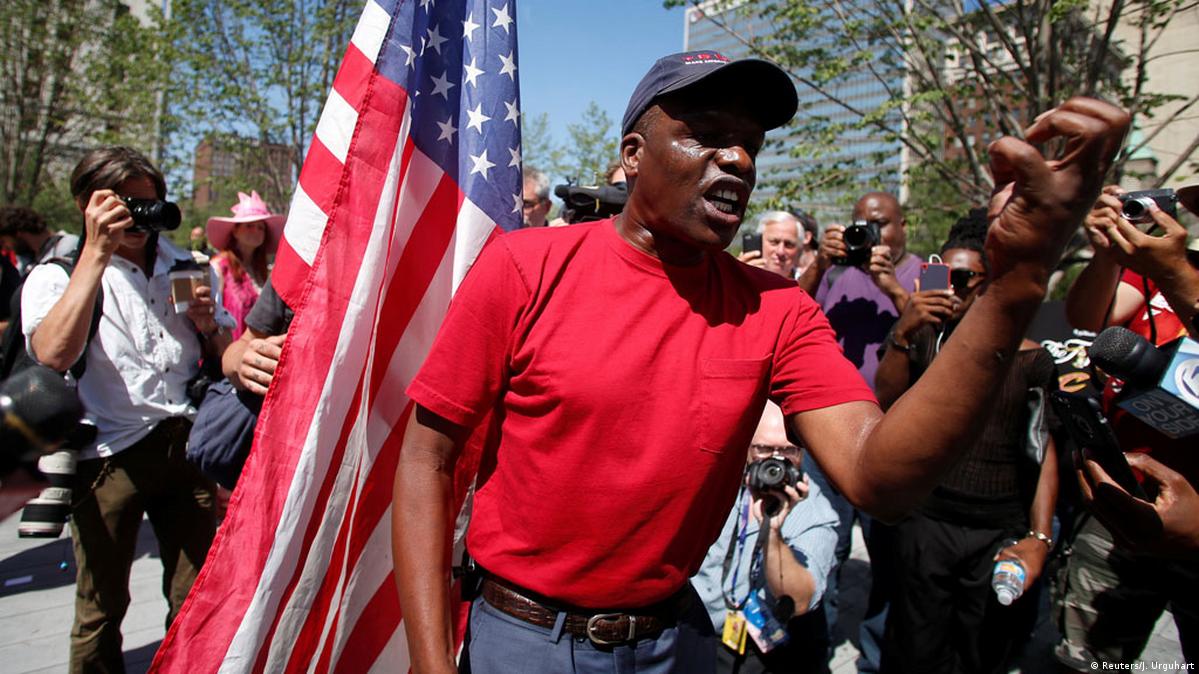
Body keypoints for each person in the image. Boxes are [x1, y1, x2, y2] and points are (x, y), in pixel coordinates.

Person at [390, 47, 1130, 674]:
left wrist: (1017, 279)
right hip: (521, 642)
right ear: (632, 155)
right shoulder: (524, 267)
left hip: (677, 643)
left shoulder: (777, 309)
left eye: (750, 143)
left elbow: (881, 478)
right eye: (706, 134)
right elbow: (425, 461)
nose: (738, 158)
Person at [21, 146, 234, 673]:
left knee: (194, 600)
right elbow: (53, 352)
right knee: (101, 608)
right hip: (107, 456)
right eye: (125, 204)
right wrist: (97, 252)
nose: (140, 217)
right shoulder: (59, 272)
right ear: (86, 204)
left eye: (149, 204)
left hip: (185, 448)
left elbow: (221, 351)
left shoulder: (186, 266)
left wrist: (211, 327)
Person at [875, 209, 1059, 674]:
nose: (952, 288)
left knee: (983, 648)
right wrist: (905, 330)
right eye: (943, 276)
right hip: (926, 521)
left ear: (987, 281)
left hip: (997, 528)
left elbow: (1041, 451)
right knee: (915, 645)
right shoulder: (923, 339)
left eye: (965, 278)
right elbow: (884, 400)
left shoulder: (1029, 360)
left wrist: (1038, 536)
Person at [1055, 184, 1199, 671]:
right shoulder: (1155, 270)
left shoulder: (1174, 268)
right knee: (1092, 659)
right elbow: (1086, 317)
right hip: (1125, 491)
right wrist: (1106, 255)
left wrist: (1177, 273)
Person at [795, 191, 920, 670]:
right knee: (821, 548)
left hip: (894, 437)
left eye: (882, 224)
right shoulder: (837, 274)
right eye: (860, 225)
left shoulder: (927, 269)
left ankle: (874, 657)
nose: (871, 234)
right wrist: (820, 263)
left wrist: (890, 287)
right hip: (828, 432)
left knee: (889, 561)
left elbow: (945, 328)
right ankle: (816, 652)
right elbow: (789, 310)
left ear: (903, 226)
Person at [693, 401, 838, 674]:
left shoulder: (813, 507)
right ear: (746, 447)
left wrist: (772, 532)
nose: (776, 461)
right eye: (764, 449)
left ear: (803, 453)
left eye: (787, 451)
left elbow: (799, 600)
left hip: (770, 650)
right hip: (702, 635)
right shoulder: (715, 484)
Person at [206, 190, 285, 340]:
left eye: (261, 227)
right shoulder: (219, 267)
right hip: (228, 354)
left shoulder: (262, 272)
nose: (256, 231)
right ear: (235, 231)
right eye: (249, 226)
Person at [0, 205, 80, 276]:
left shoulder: (66, 246)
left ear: (17, 234)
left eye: (3, 242)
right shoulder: (28, 262)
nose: (5, 248)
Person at [738, 211, 802, 280]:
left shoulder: (808, 286)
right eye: (774, 242)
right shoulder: (738, 278)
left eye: (788, 244)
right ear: (759, 242)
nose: (780, 251)